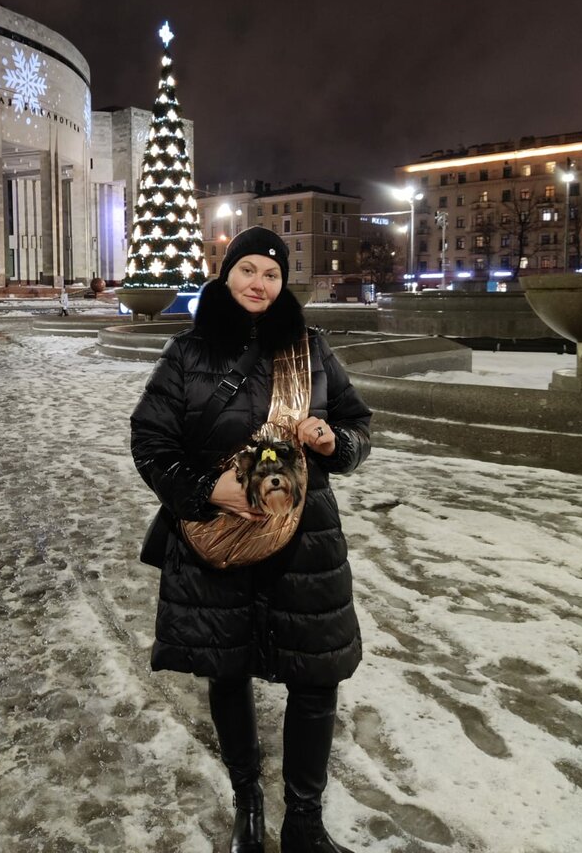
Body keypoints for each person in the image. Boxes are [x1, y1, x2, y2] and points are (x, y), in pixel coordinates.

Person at [131, 227, 371, 853]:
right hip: (217, 540)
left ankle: (303, 822)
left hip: (305, 542)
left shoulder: (311, 348)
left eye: (271, 273)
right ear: (226, 274)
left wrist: (332, 443)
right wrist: (210, 489)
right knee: (227, 669)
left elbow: (357, 425)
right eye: (247, 271)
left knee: (316, 679)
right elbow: (150, 444)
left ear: (283, 282)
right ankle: (249, 804)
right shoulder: (188, 353)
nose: (259, 284)